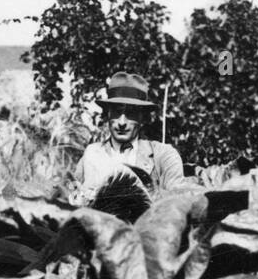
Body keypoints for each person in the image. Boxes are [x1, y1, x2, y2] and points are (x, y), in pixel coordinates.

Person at [73, 72, 184, 209]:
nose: (122, 122)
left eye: (131, 113)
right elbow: (71, 198)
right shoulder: (92, 154)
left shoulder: (163, 156)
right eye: (116, 112)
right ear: (107, 114)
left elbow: (178, 205)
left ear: (142, 117)